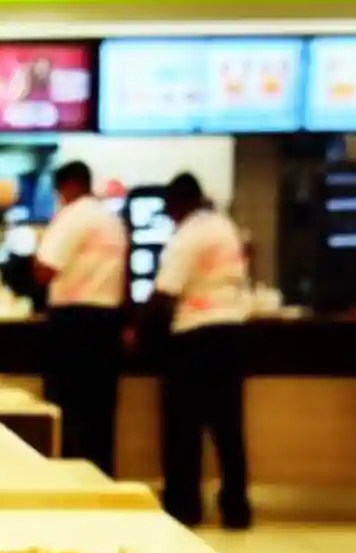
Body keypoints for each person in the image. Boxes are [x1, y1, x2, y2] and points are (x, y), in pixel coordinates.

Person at [145, 174, 252, 530]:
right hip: (232, 331)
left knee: (183, 428)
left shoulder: (188, 235)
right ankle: (236, 507)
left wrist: (138, 330)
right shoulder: (225, 227)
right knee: (228, 428)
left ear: (179, 203)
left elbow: (165, 292)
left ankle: (184, 505)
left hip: (194, 336)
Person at [35, 161, 128, 477]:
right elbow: (126, 279)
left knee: (68, 409)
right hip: (108, 321)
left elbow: (45, 271)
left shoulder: (71, 217)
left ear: (66, 187)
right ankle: (101, 478)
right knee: (101, 413)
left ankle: (70, 483)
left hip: (72, 323)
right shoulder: (113, 221)